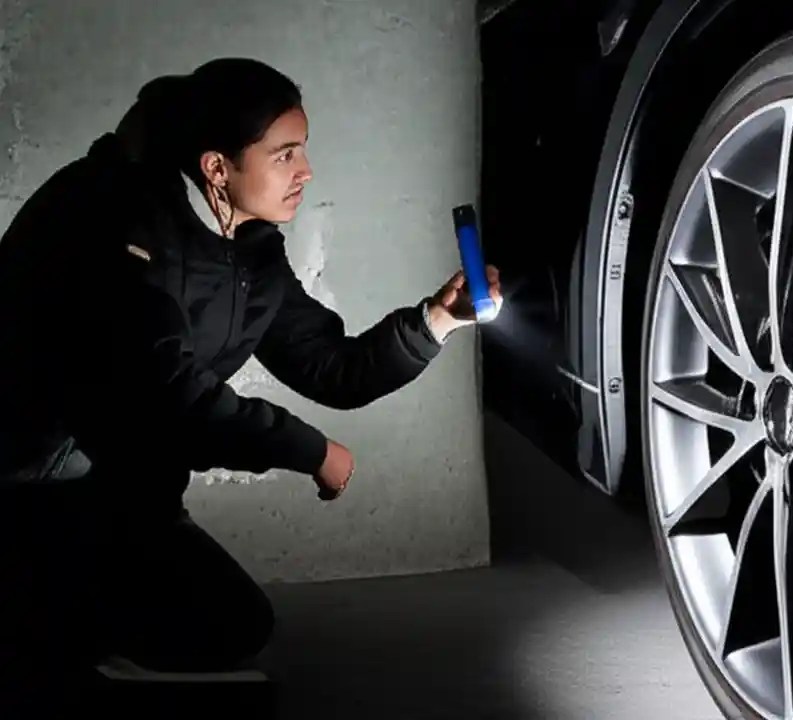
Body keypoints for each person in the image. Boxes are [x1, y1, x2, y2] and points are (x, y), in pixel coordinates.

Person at [0, 57, 500, 693]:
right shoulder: (110, 221)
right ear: (217, 167)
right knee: (54, 643)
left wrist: (437, 320)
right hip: (19, 478)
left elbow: (330, 367)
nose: (306, 170)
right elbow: (169, 396)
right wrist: (310, 450)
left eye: (303, 149)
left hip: (116, 487)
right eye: (284, 154)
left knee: (231, 624)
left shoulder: (250, 250)